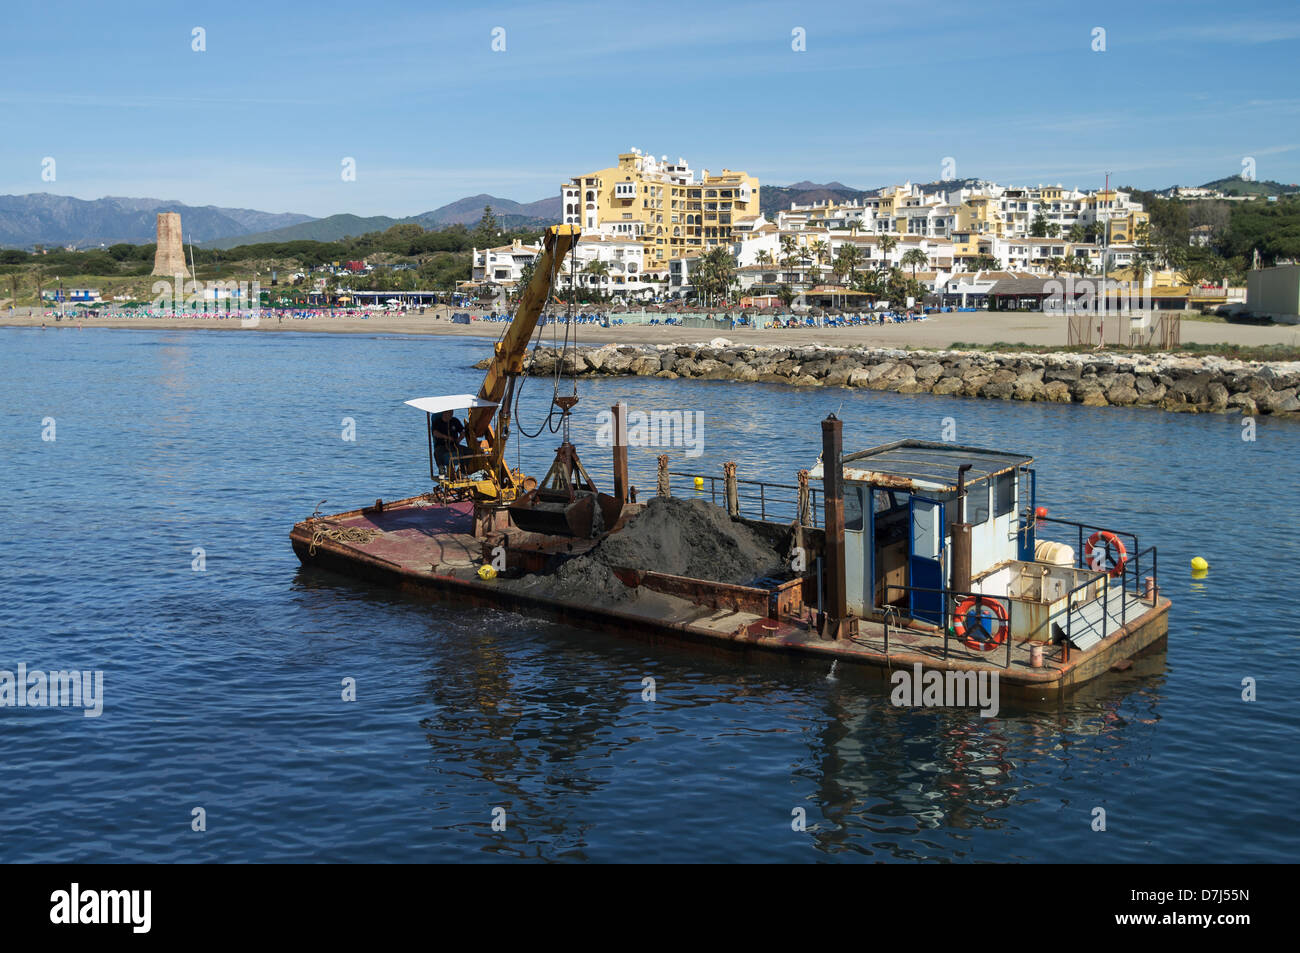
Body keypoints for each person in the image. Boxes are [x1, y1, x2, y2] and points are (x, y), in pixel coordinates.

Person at [431, 409, 465, 475]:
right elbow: (435, 433)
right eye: (449, 412)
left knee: (469, 452)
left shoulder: (455, 421)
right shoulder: (438, 422)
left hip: (454, 445)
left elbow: (462, 431)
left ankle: (461, 471)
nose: (451, 414)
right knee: (437, 453)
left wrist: (459, 439)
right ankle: (442, 470)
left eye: (452, 412)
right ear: (444, 413)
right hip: (441, 445)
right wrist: (446, 437)